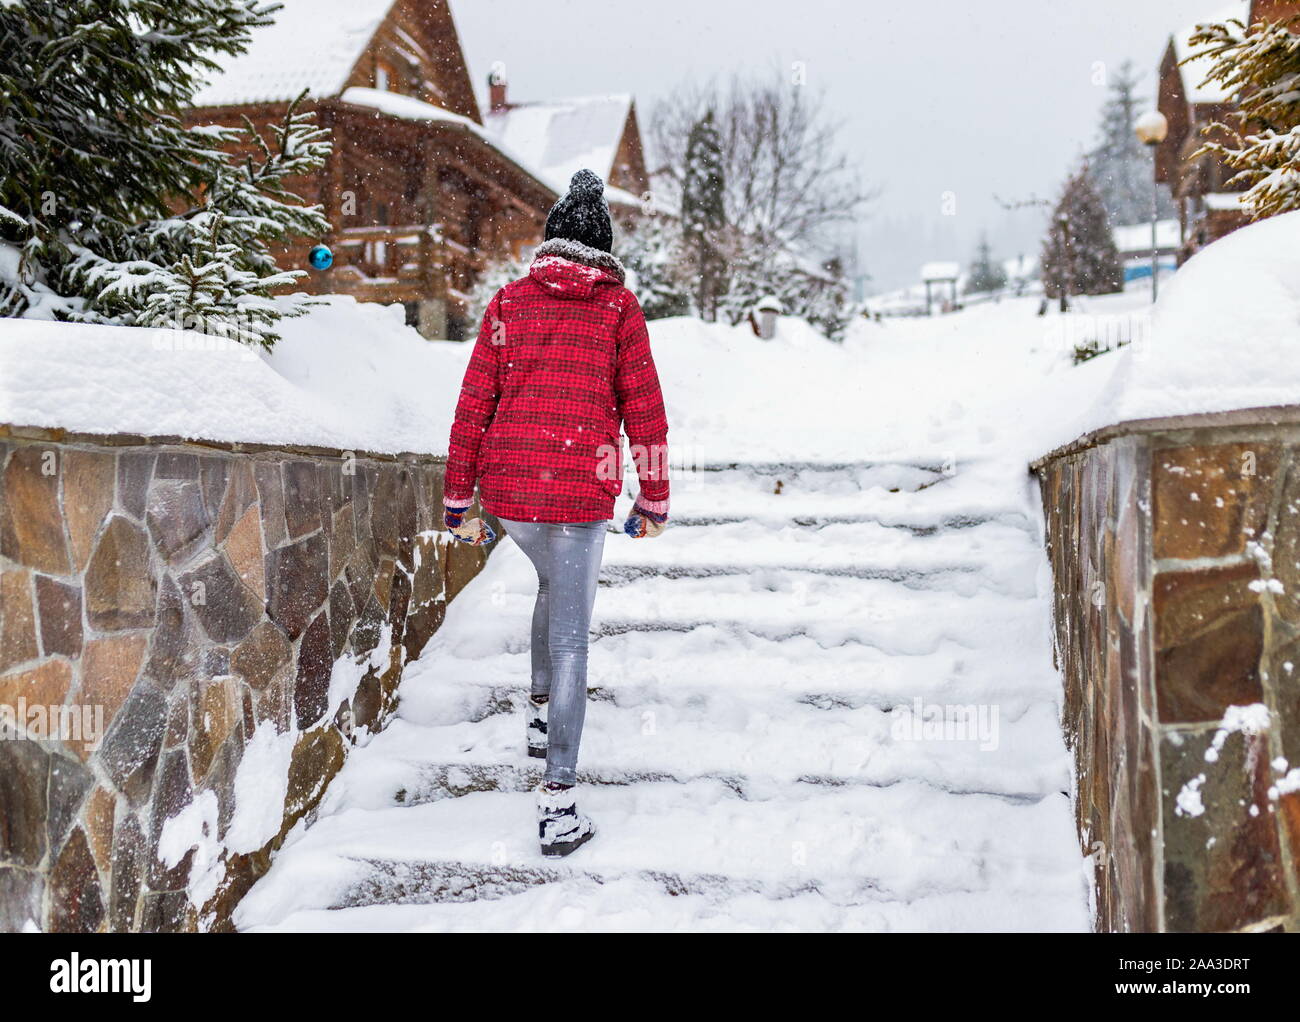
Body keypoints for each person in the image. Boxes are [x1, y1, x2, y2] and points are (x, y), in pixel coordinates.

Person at [442, 169, 670, 858]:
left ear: (549, 244)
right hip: (577, 489)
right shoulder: (617, 310)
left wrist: (459, 497)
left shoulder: (509, 303)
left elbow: (473, 402)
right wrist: (652, 496)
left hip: (513, 493)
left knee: (550, 584)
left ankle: (541, 715)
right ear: (602, 248)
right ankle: (559, 803)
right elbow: (645, 412)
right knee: (574, 635)